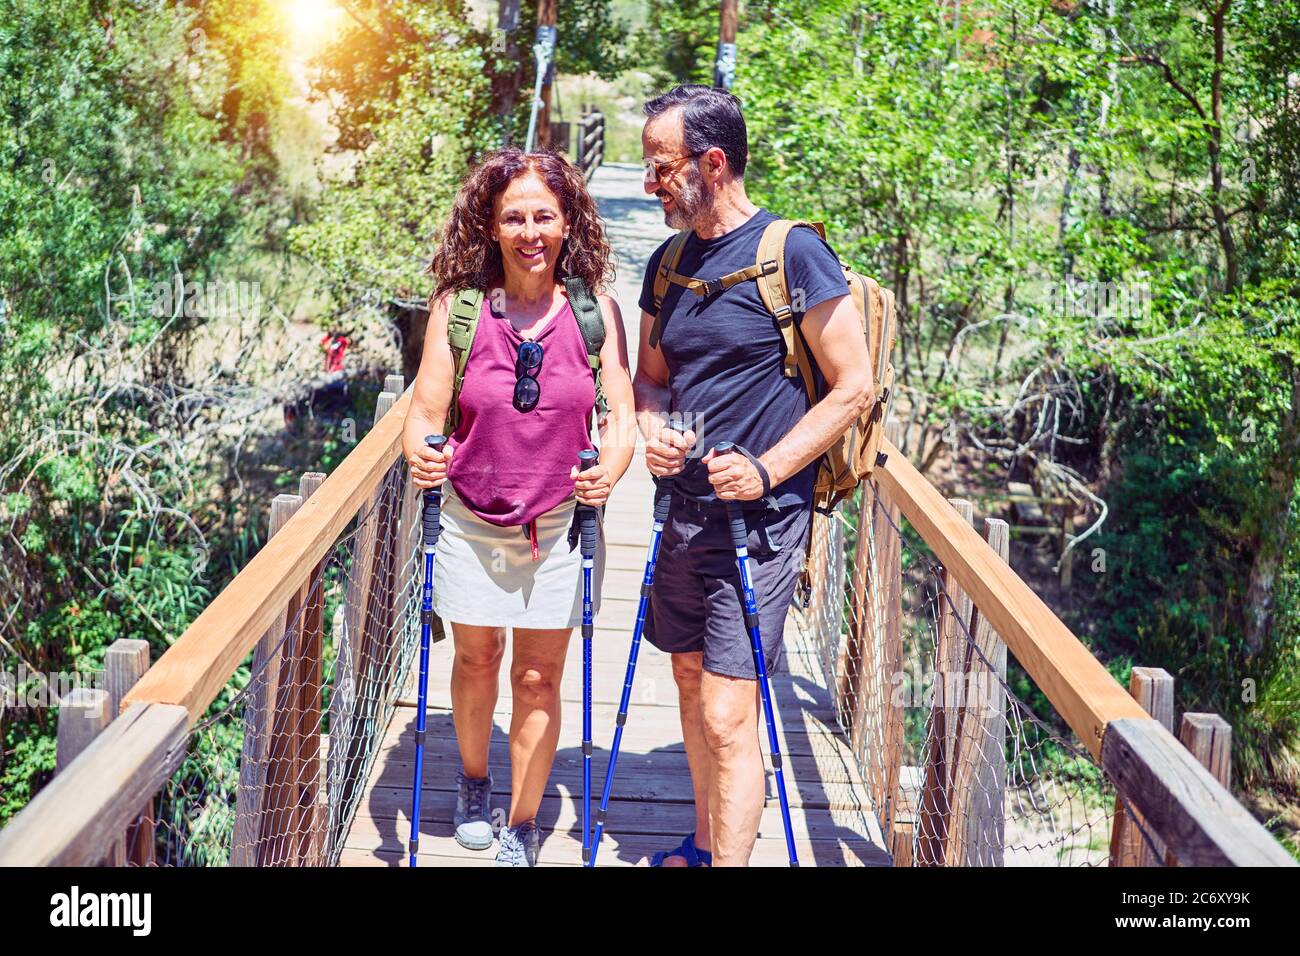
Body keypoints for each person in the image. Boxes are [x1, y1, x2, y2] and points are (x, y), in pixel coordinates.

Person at [632, 85, 875, 866]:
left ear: (712, 163)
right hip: (684, 512)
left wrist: (767, 470)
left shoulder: (793, 253)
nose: (649, 182)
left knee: (728, 713)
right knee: (689, 678)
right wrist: (654, 431)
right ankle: (706, 844)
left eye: (661, 167)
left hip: (763, 524)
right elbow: (650, 381)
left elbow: (855, 386)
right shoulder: (668, 264)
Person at [402, 147, 635, 867]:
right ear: (491, 226)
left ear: (568, 223)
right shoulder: (459, 310)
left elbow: (621, 418)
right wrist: (419, 453)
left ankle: (524, 822)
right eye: (513, 218)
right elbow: (424, 412)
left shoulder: (596, 316)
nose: (530, 232)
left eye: (544, 216)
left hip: (560, 525)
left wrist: (611, 470)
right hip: (470, 517)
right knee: (477, 658)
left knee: (538, 678)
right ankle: (474, 784)